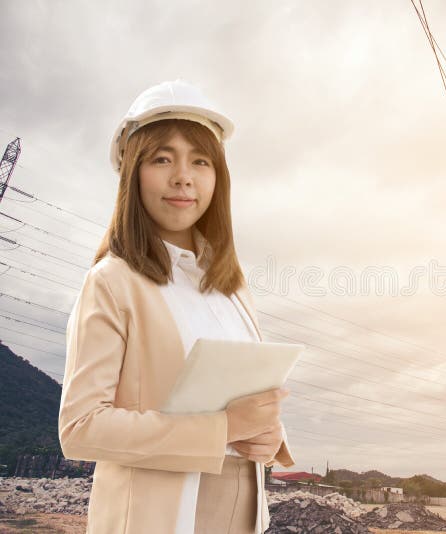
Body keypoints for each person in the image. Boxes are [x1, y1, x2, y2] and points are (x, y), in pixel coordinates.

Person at [58, 79, 294, 534]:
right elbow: (81, 427)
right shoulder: (112, 281)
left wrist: (269, 436)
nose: (183, 176)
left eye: (200, 161)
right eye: (162, 158)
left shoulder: (234, 289)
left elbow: (242, 402)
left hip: (242, 514)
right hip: (155, 517)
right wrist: (222, 428)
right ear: (133, 173)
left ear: (217, 178)